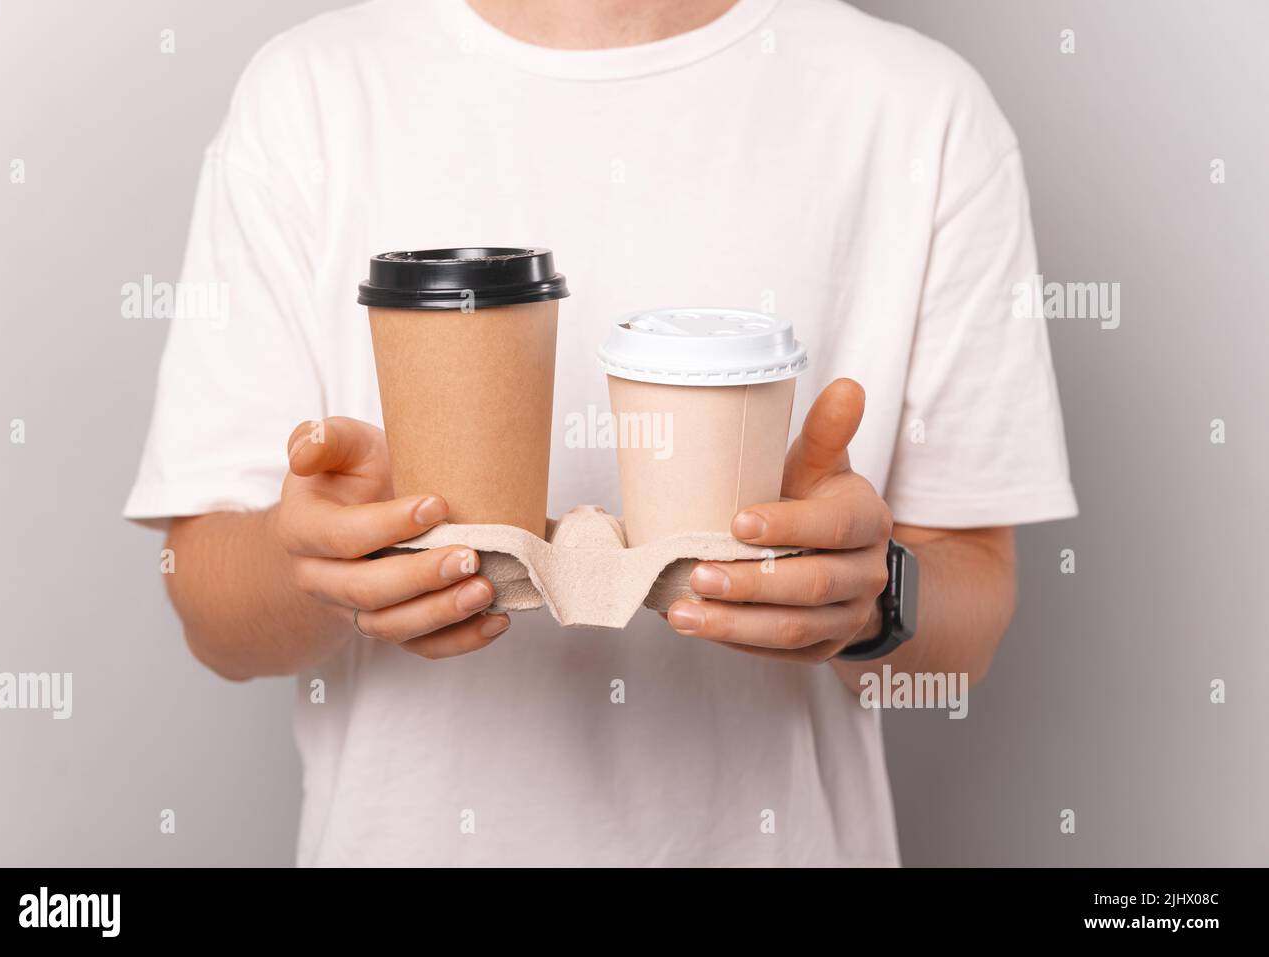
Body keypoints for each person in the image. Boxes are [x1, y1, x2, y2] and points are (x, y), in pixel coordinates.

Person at [125, 0, 1077, 866]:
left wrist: (872, 597)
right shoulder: (312, 93)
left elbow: (972, 616)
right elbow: (212, 614)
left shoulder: (918, 109)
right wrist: (318, 567)